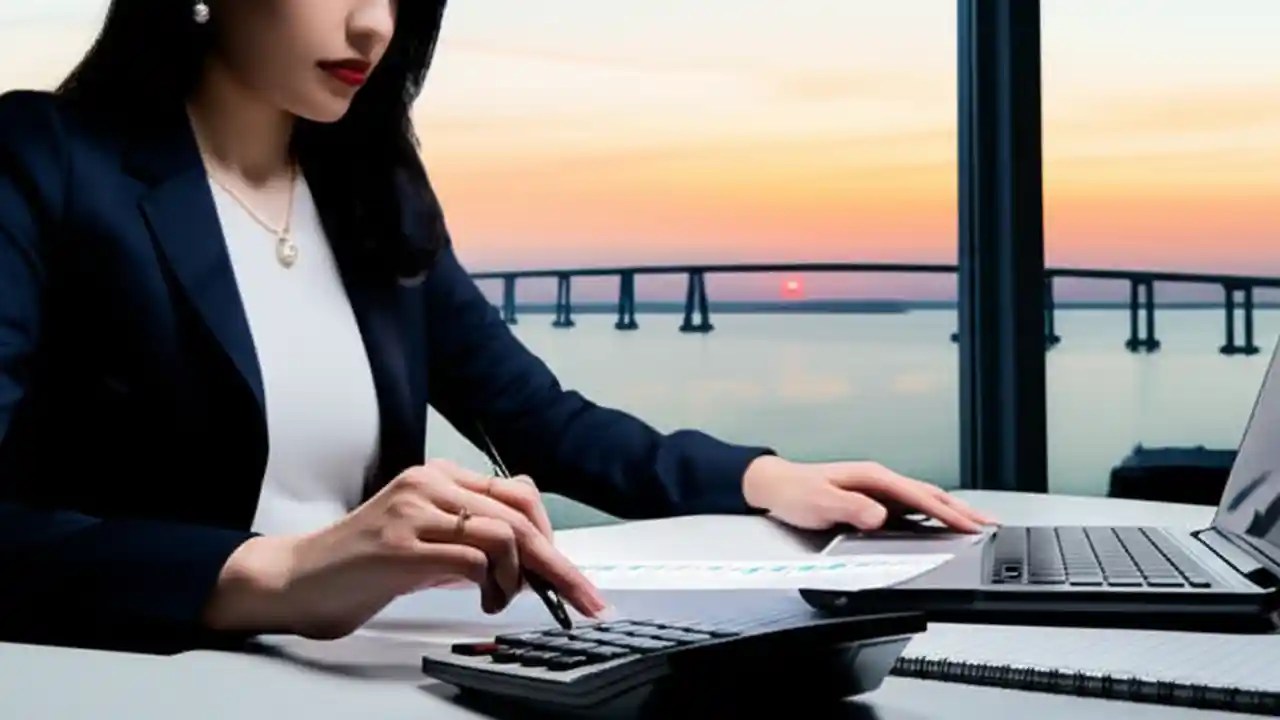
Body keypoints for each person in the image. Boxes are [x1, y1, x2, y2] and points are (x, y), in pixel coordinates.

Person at [0, 0, 994, 652]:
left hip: (374, 678)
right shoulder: (44, 161)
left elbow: (534, 416)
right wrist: (280, 571)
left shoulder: (368, 190)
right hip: (144, 679)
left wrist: (766, 479)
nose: (372, 24)